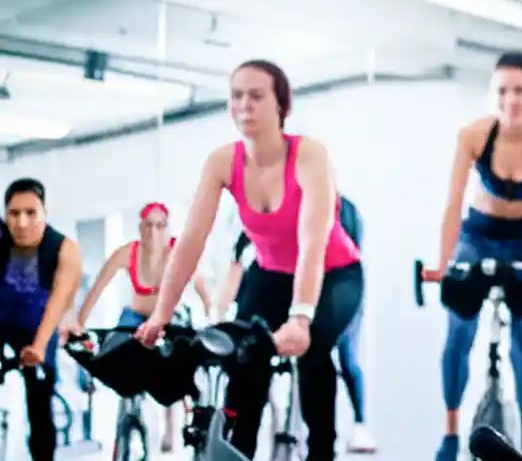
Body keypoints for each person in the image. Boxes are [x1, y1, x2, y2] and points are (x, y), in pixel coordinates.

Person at [134, 59, 364, 461]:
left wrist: (300, 318)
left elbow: (312, 243)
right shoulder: (222, 162)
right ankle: (238, 452)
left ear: (281, 105)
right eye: (237, 95)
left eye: (256, 96)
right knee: (243, 356)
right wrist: (161, 315)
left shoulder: (310, 155)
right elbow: (191, 241)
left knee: (313, 350)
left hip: (334, 274)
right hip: (271, 273)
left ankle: (321, 453)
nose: (244, 104)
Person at [422, 51, 522, 461]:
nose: (511, 100)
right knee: (459, 331)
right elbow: (453, 204)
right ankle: (451, 431)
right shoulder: (474, 135)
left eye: (519, 90)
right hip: (478, 234)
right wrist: (444, 262)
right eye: (502, 91)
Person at [217, 197, 378, 454]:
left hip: (333, 280)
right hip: (278, 276)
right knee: (249, 347)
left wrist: (303, 317)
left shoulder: (343, 209)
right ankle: (237, 443)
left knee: (336, 355)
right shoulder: (267, 203)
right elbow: (244, 249)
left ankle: (353, 426)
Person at [73, 201, 213, 452]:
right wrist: (80, 322)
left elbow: (202, 290)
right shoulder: (129, 252)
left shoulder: (178, 251)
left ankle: (171, 425)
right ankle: (128, 408)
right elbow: (99, 286)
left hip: (169, 317)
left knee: (174, 363)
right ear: (140, 227)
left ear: (167, 228)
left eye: (160, 226)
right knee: (116, 351)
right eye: (148, 225)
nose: (154, 232)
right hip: (135, 316)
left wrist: (211, 318)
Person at [0, 178, 83, 461]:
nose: (21, 223)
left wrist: (38, 347)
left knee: (39, 399)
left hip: (38, 327)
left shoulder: (63, 249)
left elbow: (57, 303)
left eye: (30, 213)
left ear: (45, 213)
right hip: (2, 321)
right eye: (14, 214)